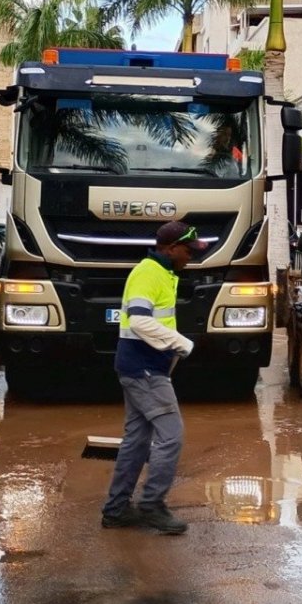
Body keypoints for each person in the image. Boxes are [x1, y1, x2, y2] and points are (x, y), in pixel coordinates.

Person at [101, 221, 208, 535]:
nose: (191, 256)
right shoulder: (149, 273)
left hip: (142, 367)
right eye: (187, 250)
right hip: (143, 369)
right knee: (171, 436)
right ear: (171, 249)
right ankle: (151, 505)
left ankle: (117, 510)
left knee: (136, 441)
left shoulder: (163, 273)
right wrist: (181, 343)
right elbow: (138, 321)